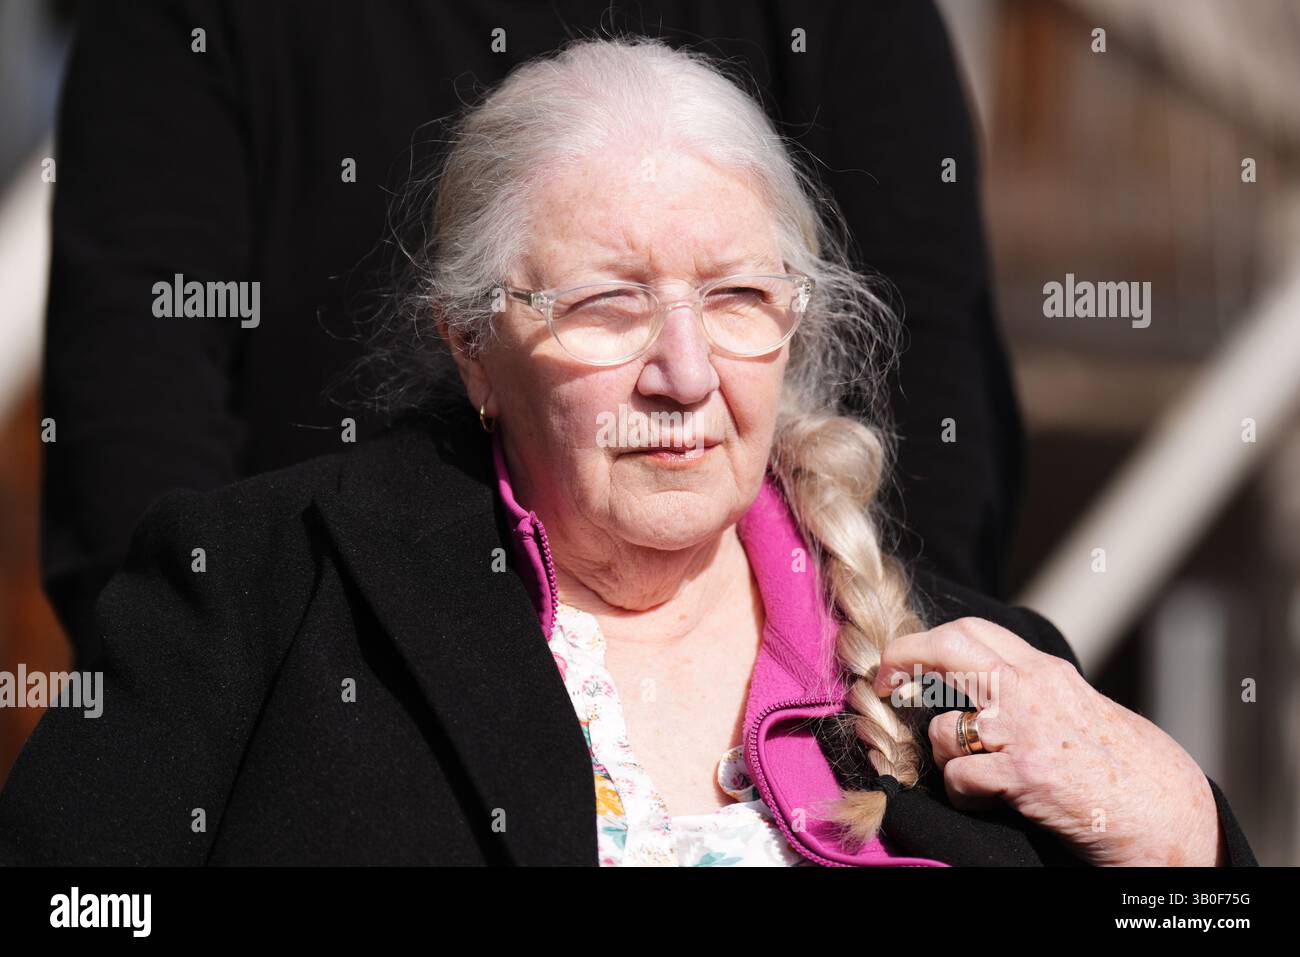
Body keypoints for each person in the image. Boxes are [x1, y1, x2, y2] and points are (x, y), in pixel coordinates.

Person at [2, 36, 1253, 866]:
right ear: (475, 348)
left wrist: (1184, 833)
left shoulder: (976, 681)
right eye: (605, 304)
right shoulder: (255, 596)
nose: (685, 373)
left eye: (736, 299)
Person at [41, 0, 1021, 667]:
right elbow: (130, 420)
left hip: (789, 687)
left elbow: (934, 389)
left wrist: (889, 705)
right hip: (321, 692)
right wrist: (265, 730)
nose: (680, 371)